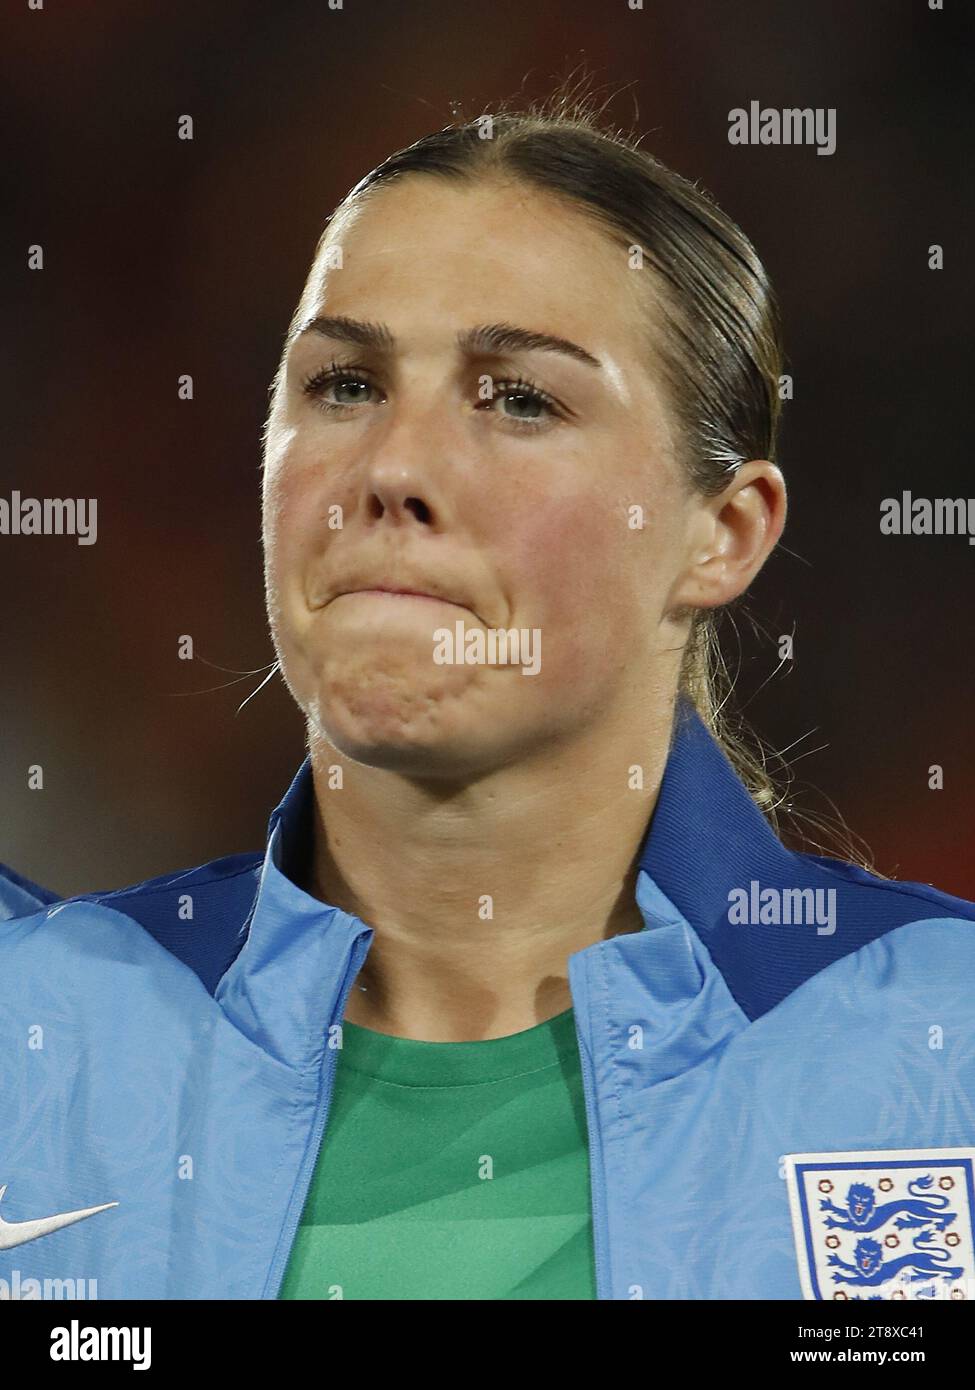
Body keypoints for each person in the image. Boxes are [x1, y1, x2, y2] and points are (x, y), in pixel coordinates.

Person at [3, 94, 974, 1303]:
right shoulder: (38, 1027)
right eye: (345, 383)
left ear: (722, 533)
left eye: (519, 398)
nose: (393, 469)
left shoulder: (944, 1047)